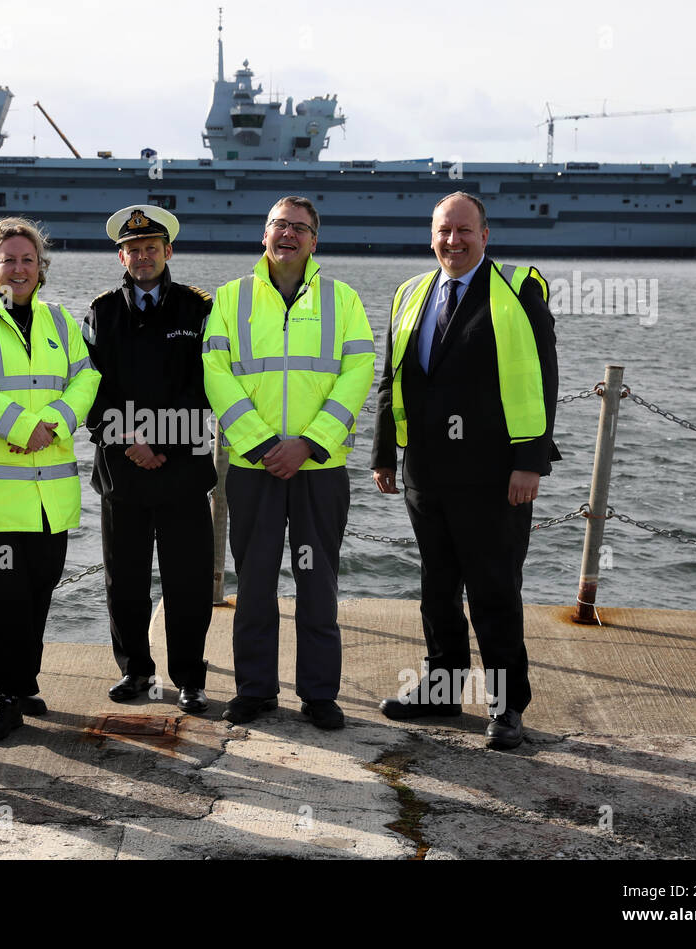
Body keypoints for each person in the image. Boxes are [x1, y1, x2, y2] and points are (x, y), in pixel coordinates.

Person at [371, 191, 559, 751]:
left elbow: (542, 376)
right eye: (443, 231)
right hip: (425, 470)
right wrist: (384, 453)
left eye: (463, 231)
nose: (452, 241)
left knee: (494, 589)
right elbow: (392, 378)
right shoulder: (411, 292)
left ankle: (506, 706)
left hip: (495, 473)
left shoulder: (518, 289)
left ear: (484, 235)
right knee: (437, 587)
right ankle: (443, 689)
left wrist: (530, 461)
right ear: (431, 236)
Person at [202, 195, 376, 730]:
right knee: (253, 583)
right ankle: (255, 689)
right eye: (278, 225)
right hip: (254, 470)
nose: (288, 235)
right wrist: (258, 443)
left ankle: (319, 693)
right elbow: (215, 369)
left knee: (316, 581)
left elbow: (359, 371)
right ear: (264, 235)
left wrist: (310, 443)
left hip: (318, 470)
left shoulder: (342, 299)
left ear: (314, 241)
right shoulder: (230, 299)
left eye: (300, 228)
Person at [0, 217, 100, 743]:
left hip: (48, 494)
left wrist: (56, 422)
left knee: (37, 593)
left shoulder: (58, 321)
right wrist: (23, 427)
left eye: (28, 259)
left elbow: (87, 376)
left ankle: (23, 680)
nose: (18, 268)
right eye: (8, 259)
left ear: (41, 267)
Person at [84, 205, 217, 713]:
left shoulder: (196, 309)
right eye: (133, 250)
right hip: (122, 470)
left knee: (187, 578)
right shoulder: (101, 313)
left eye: (151, 249)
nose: (142, 257)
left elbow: (208, 385)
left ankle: (189, 677)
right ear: (122, 254)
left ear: (168, 252)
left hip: (182, 467)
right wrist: (130, 441)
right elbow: (92, 389)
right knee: (127, 580)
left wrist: (160, 441)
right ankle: (135, 671)